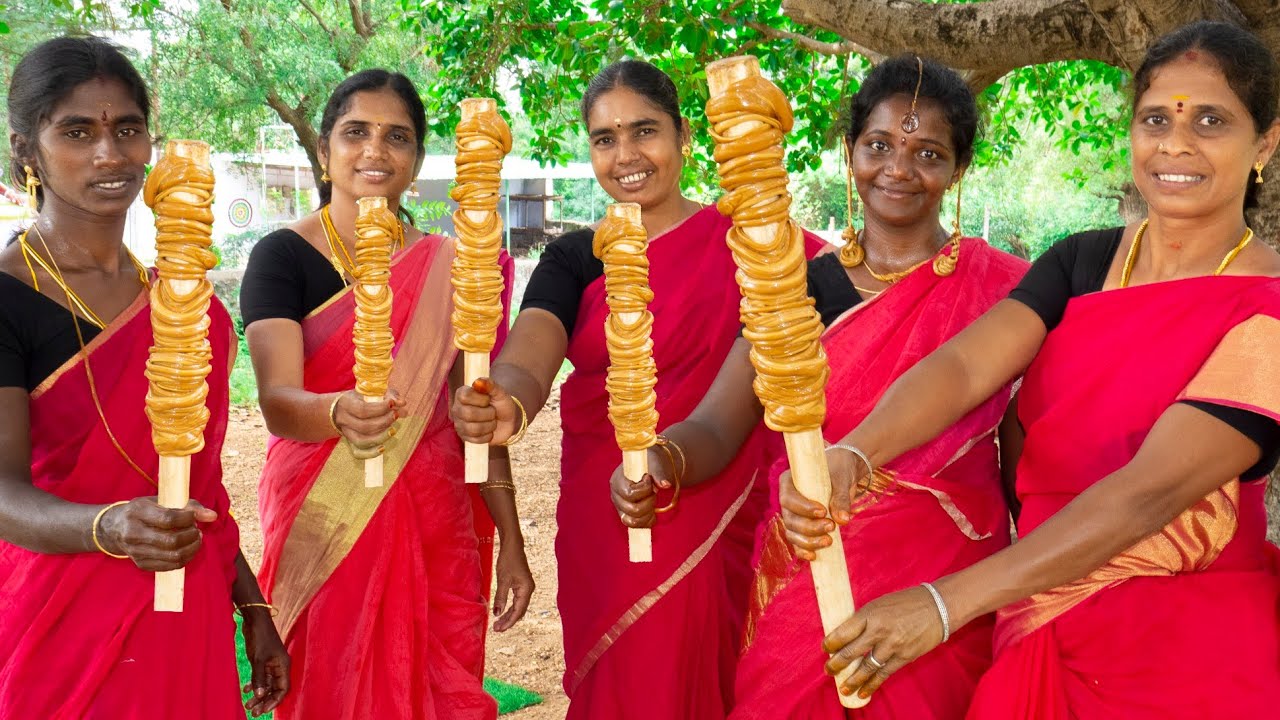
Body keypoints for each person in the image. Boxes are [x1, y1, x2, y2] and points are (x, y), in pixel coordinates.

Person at [801, 22, 1280, 719]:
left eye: (1211, 120)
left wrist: (945, 603)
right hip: (1042, 619)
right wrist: (857, 449)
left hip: (1185, 647)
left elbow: (1146, 496)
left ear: (1265, 141)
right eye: (1155, 119)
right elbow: (966, 367)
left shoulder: (1269, 310)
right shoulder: (1080, 262)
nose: (1176, 144)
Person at [610, 55, 1030, 718]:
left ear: (960, 167)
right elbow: (719, 427)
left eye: (927, 152)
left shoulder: (1005, 293)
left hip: (946, 595)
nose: (898, 169)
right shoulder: (794, 290)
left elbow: (1023, 465)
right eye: (880, 146)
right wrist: (660, 462)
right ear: (849, 152)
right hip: (806, 579)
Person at [450, 59, 826, 718]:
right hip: (609, 519)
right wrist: (502, 403)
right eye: (604, 139)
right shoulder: (574, 258)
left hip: (720, 511)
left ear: (684, 135)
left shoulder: (753, 249)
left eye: (644, 131)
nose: (625, 155)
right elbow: (529, 358)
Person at [0, 36, 288, 718]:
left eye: (126, 129)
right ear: (27, 152)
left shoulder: (187, 308)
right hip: (58, 617)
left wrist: (251, 604)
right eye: (77, 131)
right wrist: (109, 527)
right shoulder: (8, 295)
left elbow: (199, 484)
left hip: (182, 604)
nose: (110, 154)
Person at [241, 69, 533, 720]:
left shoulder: (452, 264)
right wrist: (339, 412)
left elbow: (475, 415)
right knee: (336, 686)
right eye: (355, 133)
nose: (375, 150)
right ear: (324, 150)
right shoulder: (281, 258)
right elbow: (278, 400)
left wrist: (512, 537)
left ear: (417, 159)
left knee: (441, 693)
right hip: (327, 512)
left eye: (396, 136)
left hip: (437, 518)